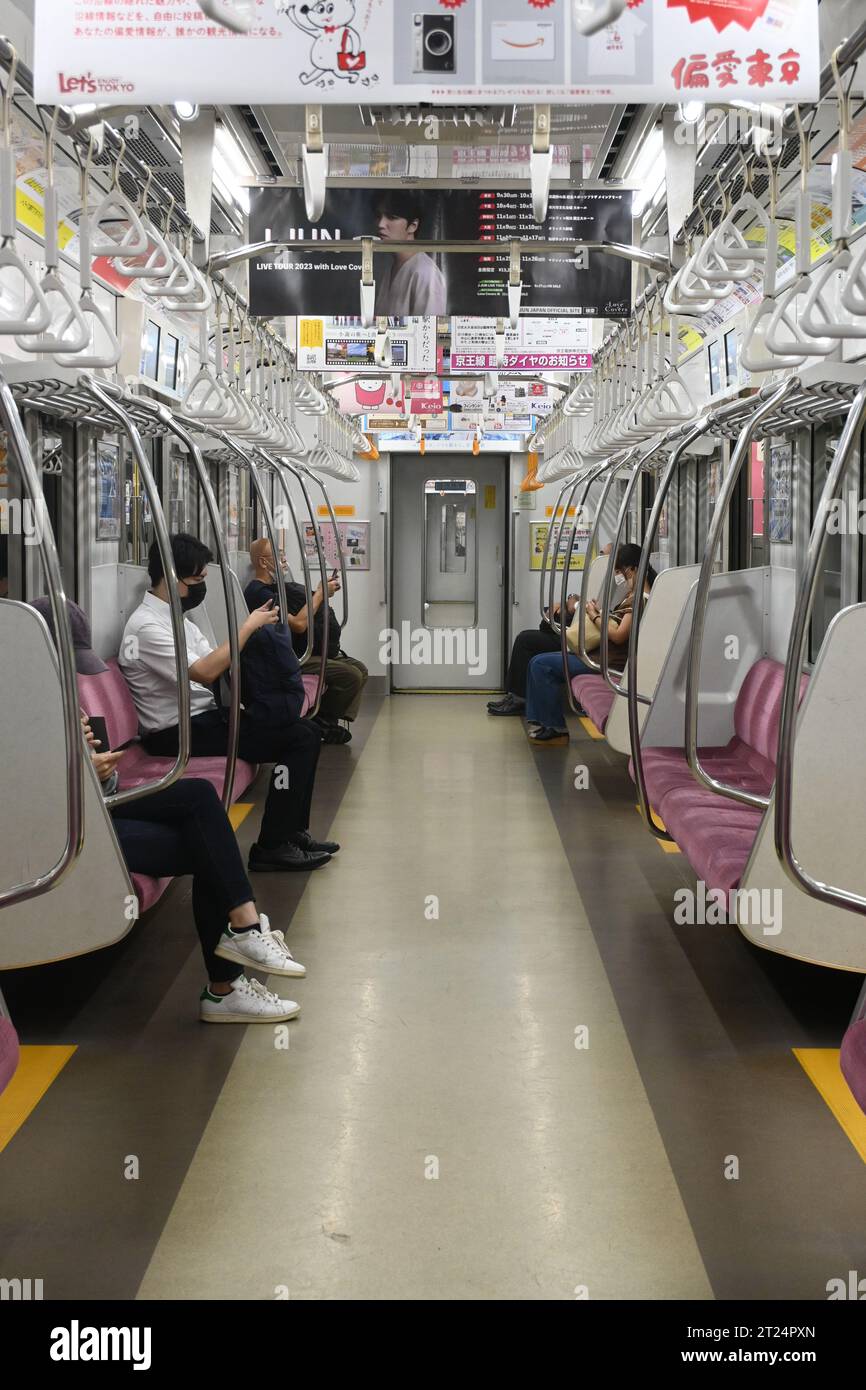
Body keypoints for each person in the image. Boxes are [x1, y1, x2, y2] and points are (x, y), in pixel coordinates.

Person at [30, 597, 303, 1024]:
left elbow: (92, 784)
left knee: (197, 799)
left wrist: (95, 770)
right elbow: (26, 797)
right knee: (205, 847)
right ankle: (227, 979)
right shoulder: (18, 708)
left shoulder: (56, 694)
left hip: (89, 806)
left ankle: (242, 933)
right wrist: (78, 767)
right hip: (54, 830)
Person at [118, 532, 338, 872]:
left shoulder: (179, 620)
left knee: (306, 731)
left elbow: (219, 662)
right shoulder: (146, 627)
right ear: (174, 578)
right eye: (197, 579)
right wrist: (247, 626)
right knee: (299, 738)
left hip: (203, 721)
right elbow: (205, 672)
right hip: (176, 733)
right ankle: (272, 846)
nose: (202, 586)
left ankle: (292, 833)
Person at [524, 544, 656, 746]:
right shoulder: (634, 597)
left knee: (541, 665)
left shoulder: (638, 600)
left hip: (608, 661)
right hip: (600, 655)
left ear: (634, 569)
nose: (619, 577)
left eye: (620, 572)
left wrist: (594, 615)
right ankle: (544, 722)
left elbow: (619, 635)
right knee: (537, 661)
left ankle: (555, 729)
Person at [245, 538, 368, 745]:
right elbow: (299, 624)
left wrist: (320, 593)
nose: (283, 560)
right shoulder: (259, 593)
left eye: (283, 554)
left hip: (299, 648)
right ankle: (322, 721)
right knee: (351, 676)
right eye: (278, 555)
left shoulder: (279, 587)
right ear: (264, 562)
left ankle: (326, 719)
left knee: (360, 669)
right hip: (287, 657)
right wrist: (319, 594)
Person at [373, 192, 447, 317]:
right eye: (379, 216)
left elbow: (430, 331)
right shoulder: (392, 267)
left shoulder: (425, 273)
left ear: (413, 226)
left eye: (391, 217)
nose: (381, 225)